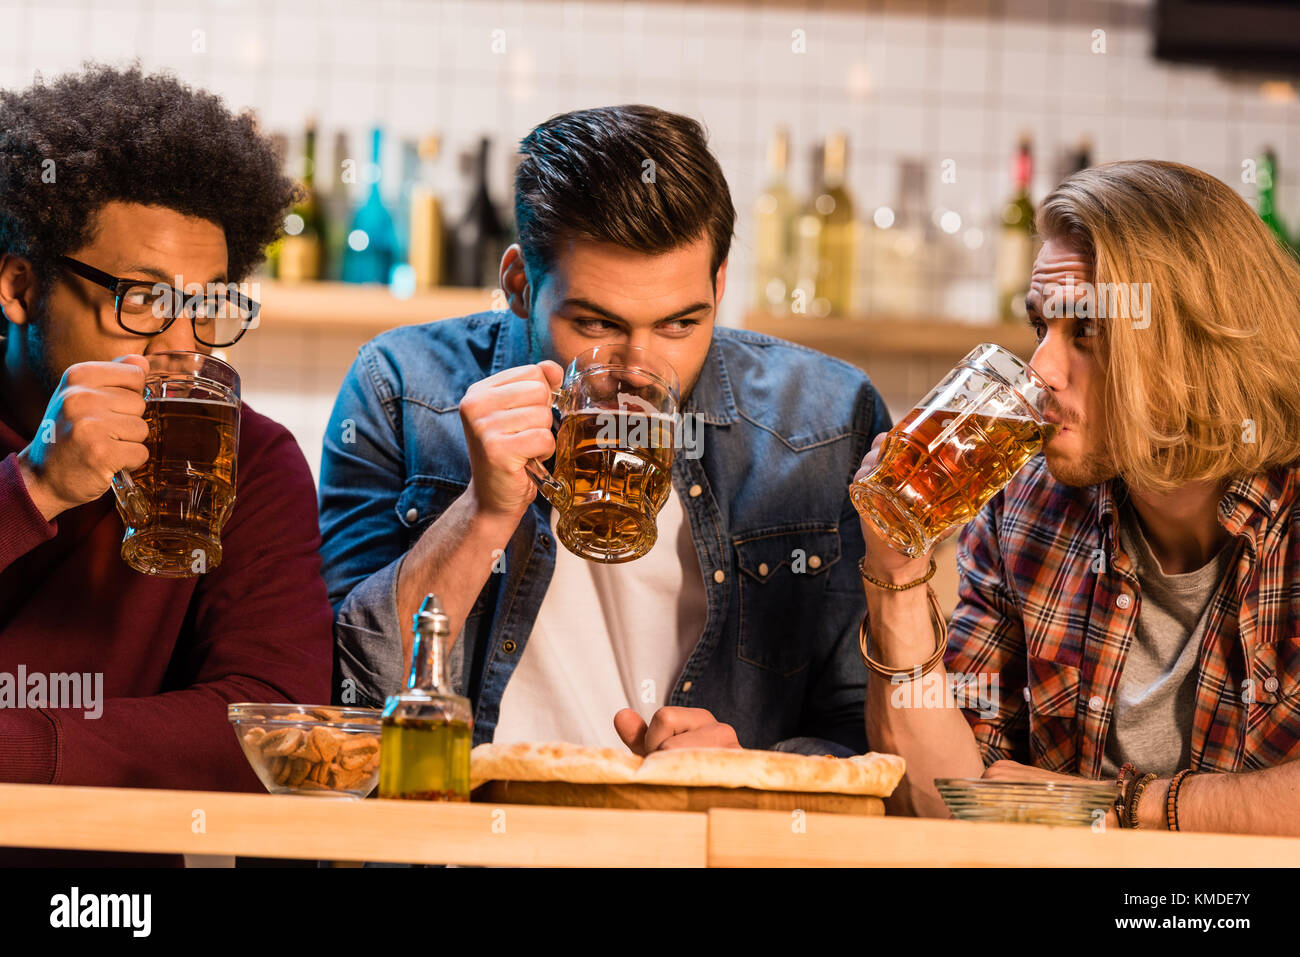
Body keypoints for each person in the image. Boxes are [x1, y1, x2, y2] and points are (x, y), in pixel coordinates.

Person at [321, 105, 891, 757]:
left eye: (680, 324)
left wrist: (749, 774)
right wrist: (481, 513)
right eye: (595, 325)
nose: (636, 372)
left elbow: (866, 741)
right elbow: (350, 708)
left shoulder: (823, 422)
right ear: (518, 285)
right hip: (463, 844)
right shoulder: (401, 387)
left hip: (695, 850)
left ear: (719, 284)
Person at [861, 160, 1300, 835]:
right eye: (1042, 327)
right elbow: (944, 798)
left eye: (1085, 332)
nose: (1040, 369)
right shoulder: (1025, 508)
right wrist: (894, 574)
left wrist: (1123, 805)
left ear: (1196, 342)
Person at [0, 66, 334, 863]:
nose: (182, 344)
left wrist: (21, 752)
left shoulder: (249, 459)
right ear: (18, 288)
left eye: (206, 302)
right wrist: (34, 489)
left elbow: (273, 722)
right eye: (143, 297)